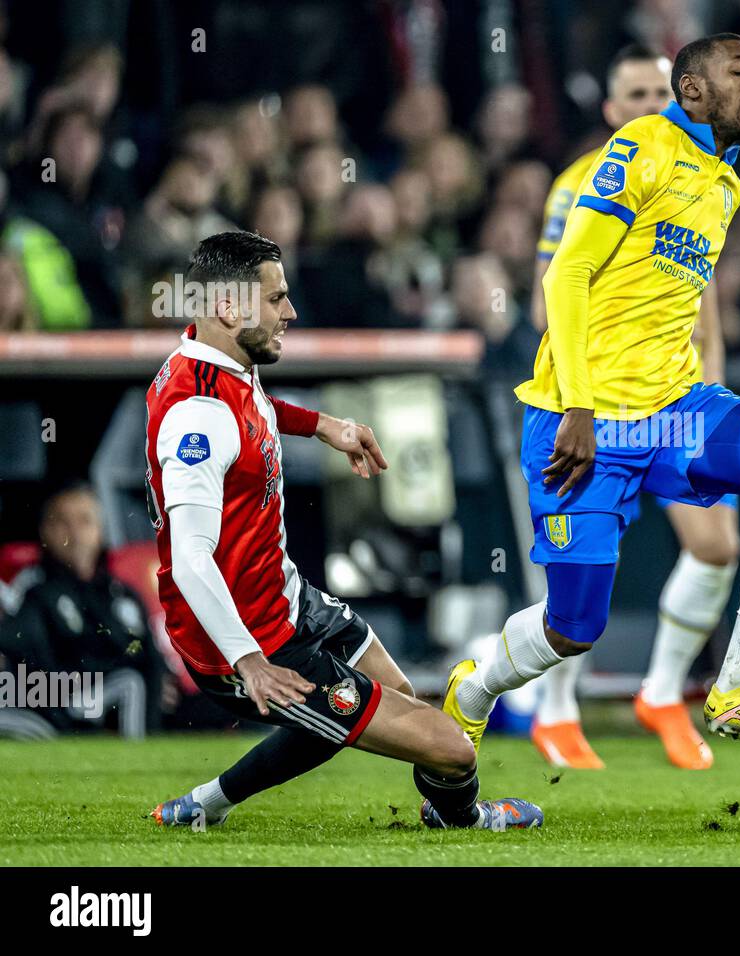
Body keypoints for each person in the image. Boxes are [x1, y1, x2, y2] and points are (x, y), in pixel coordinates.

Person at [442, 33, 740, 756]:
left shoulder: (725, 182)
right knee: (572, 627)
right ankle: (475, 684)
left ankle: (738, 682)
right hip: (579, 419)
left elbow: (684, 303)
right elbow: (564, 276)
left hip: (674, 408)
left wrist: (707, 386)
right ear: (692, 92)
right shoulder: (639, 149)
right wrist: (581, 408)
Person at [148, 232, 540, 832]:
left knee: (392, 695)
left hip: (285, 596)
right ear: (229, 308)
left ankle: (203, 807)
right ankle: (466, 819)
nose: (291, 313)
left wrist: (322, 424)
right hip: (250, 637)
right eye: (276, 298)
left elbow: (250, 409)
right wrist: (249, 661)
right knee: (451, 749)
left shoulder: (211, 364)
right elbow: (190, 557)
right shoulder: (196, 418)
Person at [527, 43, 740, 771]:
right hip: (599, 399)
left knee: (716, 548)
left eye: (664, 90)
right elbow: (547, 295)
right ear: (613, 110)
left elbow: (702, 309)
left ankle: (661, 691)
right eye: (638, 95)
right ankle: (556, 714)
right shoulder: (583, 183)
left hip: (677, 400)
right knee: (589, 561)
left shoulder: (705, 175)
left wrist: (711, 391)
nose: (655, 103)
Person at [0, 484, 162, 739]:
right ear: (45, 531)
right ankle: (138, 764)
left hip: (109, 699)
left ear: (100, 530)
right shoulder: (34, 589)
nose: (75, 533)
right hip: (59, 700)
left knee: (144, 684)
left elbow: (151, 657)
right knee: (130, 682)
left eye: (85, 521)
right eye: (63, 522)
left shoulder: (120, 594)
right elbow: (30, 657)